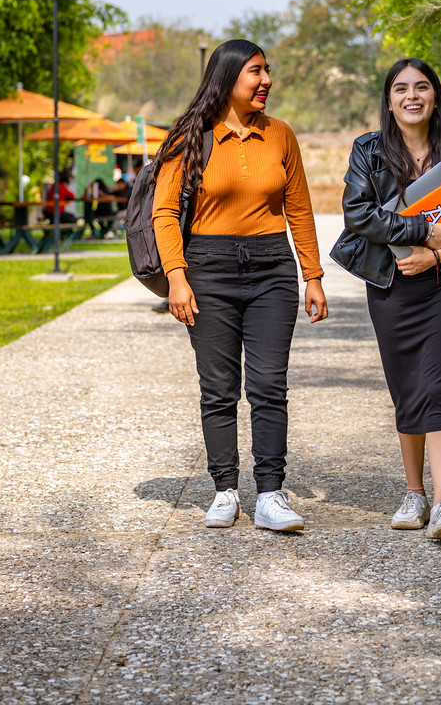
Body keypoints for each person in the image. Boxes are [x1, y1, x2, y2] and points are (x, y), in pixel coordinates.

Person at [152, 39, 329, 532]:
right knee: (219, 388)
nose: (266, 80)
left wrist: (312, 276)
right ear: (228, 78)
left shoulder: (281, 136)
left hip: (273, 269)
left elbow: (299, 210)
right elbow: (164, 211)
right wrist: (177, 278)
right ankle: (225, 490)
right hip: (208, 269)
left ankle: (270, 493)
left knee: (270, 385)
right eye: (255, 71)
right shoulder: (189, 138)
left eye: (267, 71)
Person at [333, 58, 441, 540]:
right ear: (389, 100)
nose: (412, 96)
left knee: (437, 387)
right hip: (390, 286)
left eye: (422, 87)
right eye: (401, 89)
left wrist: (439, 257)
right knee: (406, 388)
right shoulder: (369, 151)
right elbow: (359, 213)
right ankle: (414, 493)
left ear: (435, 97)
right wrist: (425, 232)